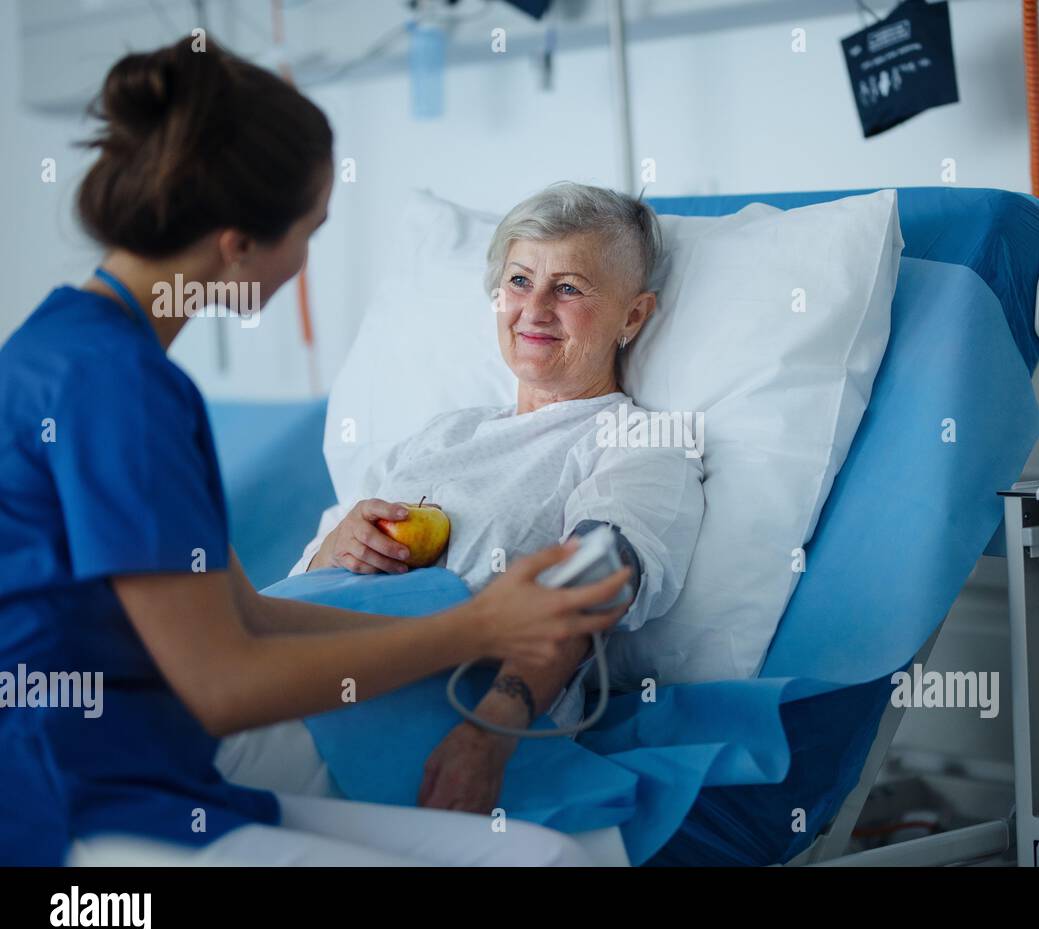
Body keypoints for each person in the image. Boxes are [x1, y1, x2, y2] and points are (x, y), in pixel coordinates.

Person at [0, 37, 629, 867]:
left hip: (140, 777)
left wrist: (480, 638)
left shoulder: (63, 344)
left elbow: (251, 614)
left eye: (570, 288)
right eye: (310, 230)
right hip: (77, 812)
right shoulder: (119, 387)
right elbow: (222, 687)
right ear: (236, 243)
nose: (304, 261)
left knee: (546, 858)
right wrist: (477, 622)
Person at [285, 183, 705, 813]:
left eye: (568, 287)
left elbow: (597, 578)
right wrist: (338, 548)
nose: (532, 309)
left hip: (403, 710)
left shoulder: (636, 440)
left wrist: (487, 732)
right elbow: (298, 585)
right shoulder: (443, 433)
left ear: (634, 316)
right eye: (517, 280)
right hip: (287, 664)